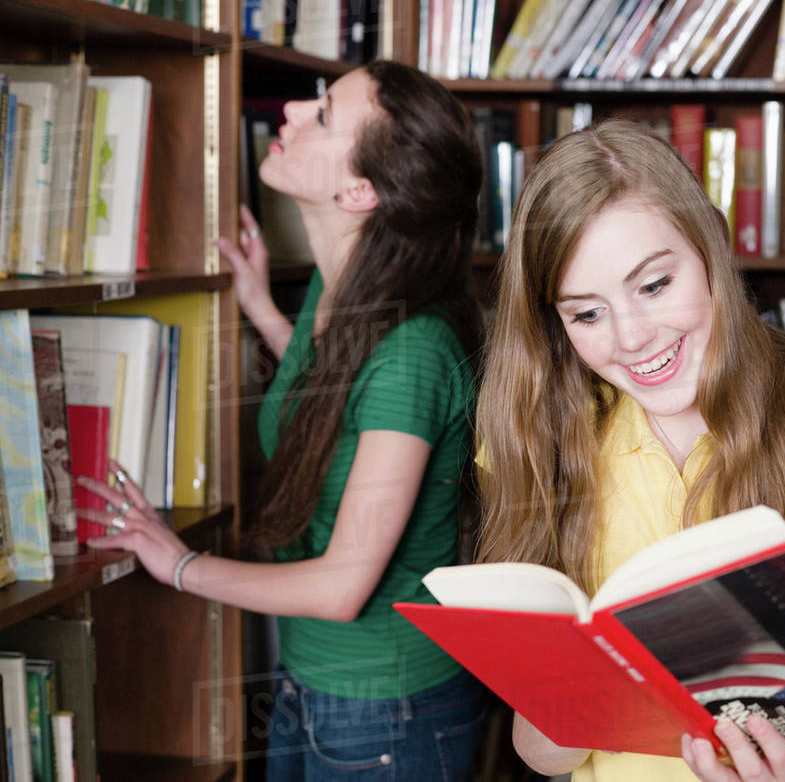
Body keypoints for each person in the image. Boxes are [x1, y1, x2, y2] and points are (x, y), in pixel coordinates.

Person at [79, 60, 489, 781]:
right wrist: (263, 308)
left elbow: (341, 588)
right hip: (318, 687)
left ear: (358, 191)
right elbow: (337, 396)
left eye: (323, 114)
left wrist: (178, 566)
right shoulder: (346, 291)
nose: (293, 111)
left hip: (389, 707)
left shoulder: (412, 351)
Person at [473, 118, 785, 782]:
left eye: (654, 286)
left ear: (713, 244)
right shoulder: (539, 434)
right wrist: (576, 685)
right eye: (586, 313)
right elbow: (540, 751)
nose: (631, 338)